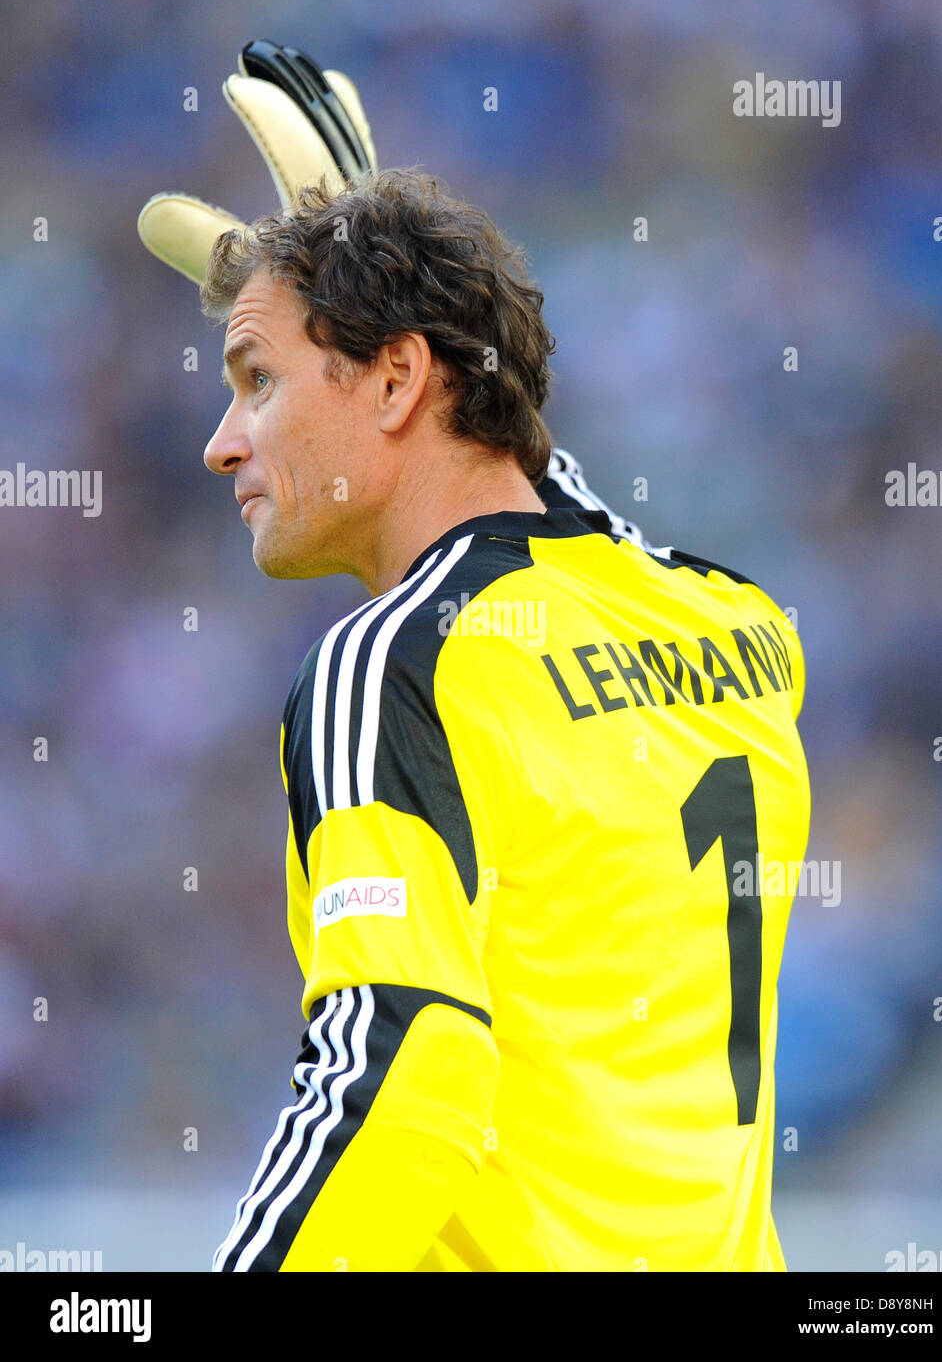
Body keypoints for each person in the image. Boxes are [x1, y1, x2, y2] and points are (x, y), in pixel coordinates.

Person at [197, 167, 811, 1272]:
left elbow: (397, 1059)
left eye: (257, 381)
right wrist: (395, 267)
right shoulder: (744, 629)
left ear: (394, 380)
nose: (224, 443)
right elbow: (556, 516)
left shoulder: (394, 666)